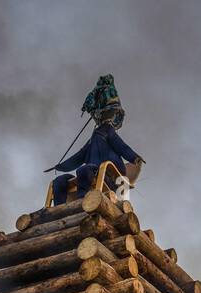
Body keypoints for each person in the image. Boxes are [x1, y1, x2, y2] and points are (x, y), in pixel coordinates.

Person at [46, 74, 143, 205]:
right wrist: (60, 166)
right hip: (92, 173)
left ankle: (83, 201)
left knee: (84, 169)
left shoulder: (108, 131)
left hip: (109, 175)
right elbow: (78, 157)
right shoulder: (93, 139)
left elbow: (121, 146)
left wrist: (134, 158)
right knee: (59, 181)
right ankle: (59, 209)